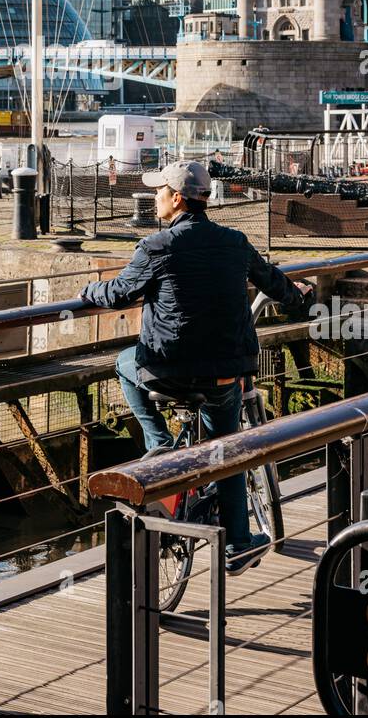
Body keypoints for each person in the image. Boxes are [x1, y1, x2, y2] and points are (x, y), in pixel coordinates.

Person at [79, 160, 311, 574]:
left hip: (166, 370)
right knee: (228, 452)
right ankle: (238, 544)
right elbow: (274, 283)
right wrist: (297, 297)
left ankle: (161, 443)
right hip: (223, 373)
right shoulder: (234, 242)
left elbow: (118, 293)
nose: (154, 197)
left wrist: (86, 288)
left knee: (122, 363)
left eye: (159, 191)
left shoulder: (157, 246)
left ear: (177, 198)